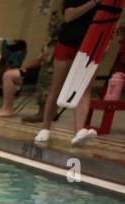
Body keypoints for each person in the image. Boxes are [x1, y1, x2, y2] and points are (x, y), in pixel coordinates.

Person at [35, 1, 99, 145]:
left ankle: (78, 131)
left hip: (90, 44)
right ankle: (45, 128)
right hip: (68, 43)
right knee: (57, 87)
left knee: (84, 89)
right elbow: (69, 16)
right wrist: (94, 3)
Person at [0, 52, 44, 117]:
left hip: (39, 72)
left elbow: (38, 61)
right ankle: (6, 106)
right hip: (34, 70)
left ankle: (7, 109)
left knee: (8, 75)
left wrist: (22, 68)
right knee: (10, 73)